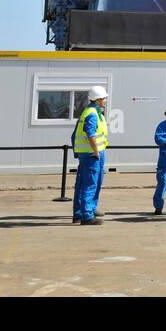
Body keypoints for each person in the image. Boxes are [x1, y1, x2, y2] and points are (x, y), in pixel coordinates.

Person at [72, 86, 109, 226]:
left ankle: (81, 212)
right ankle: (86, 215)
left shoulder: (92, 112)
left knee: (87, 183)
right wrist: (95, 151)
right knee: (90, 184)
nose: (105, 101)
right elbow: (90, 134)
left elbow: (74, 134)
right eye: (104, 98)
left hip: (91, 153)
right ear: (98, 100)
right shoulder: (92, 114)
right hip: (92, 154)